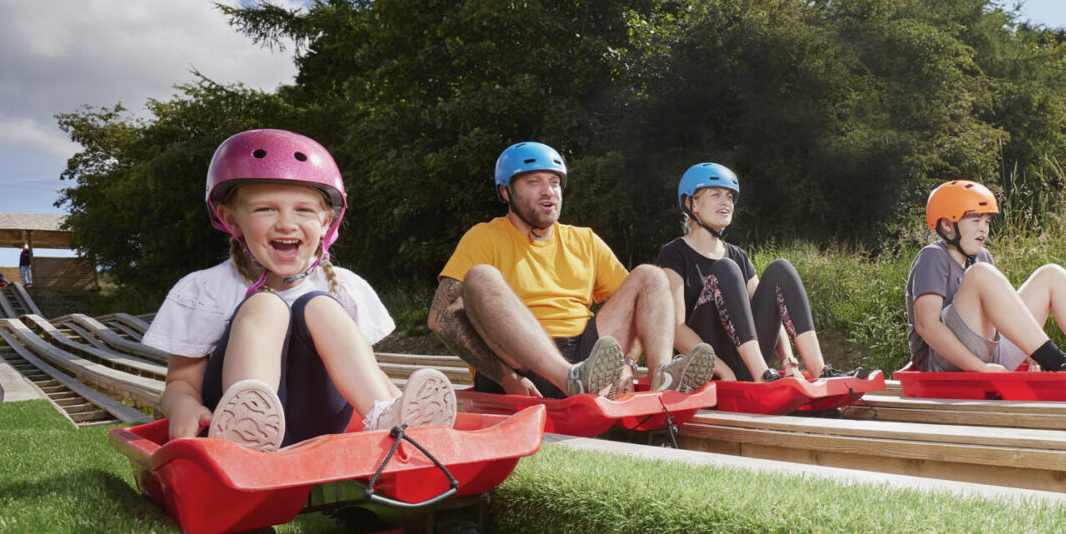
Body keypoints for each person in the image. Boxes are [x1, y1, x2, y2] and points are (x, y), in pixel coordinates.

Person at [144, 129, 456, 452]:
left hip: (318, 420)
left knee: (320, 306)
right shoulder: (206, 290)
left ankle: (390, 418)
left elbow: (365, 369)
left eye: (304, 210)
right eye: (266, 209)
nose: (286, 224)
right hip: (234, 427)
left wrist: (397, 399)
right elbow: (181, 382)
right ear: (232, 220)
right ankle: (248, 430)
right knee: (265, 306)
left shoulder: (344, 288)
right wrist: (184, 406)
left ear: (325, 222)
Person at [430, 141, 716, 398]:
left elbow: (641, 307)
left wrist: (627, 364)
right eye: (533, 182)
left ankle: (661, 379)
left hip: (591, 360)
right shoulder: (484, 236)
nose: (548, 191)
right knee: (481, 276)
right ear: (506, 191)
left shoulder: (584, 239)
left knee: (651, 276)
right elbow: (441, 316)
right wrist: (505, 377)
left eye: (554, 182)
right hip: (524, 364)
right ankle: (569, 380)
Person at [907, 180, 1066, 374]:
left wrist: (1027, 349)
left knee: (1052, 274)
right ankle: (1059, 363)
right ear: (947, 225)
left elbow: (998, 315)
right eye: (974, 220)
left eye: (986, 221)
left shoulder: (981, 257)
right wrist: (980, 369)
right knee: (981, 275)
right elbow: (927, 326)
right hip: (944, 364)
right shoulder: (933, 256)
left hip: (988, 352)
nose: (983, 228)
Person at [657, 162, 863, 383]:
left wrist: (787, 359)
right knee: (725, 269)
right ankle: (762, 376)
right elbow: (676, 329)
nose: (726, 201)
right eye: (715, 195)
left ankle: (819, 371)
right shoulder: (674, 253)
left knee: (780, 269)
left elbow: (772, 307)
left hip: (745, 364)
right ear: (692, 204)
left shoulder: (739, 256)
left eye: (729, 196)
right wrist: (722, 370)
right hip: (707, 368)